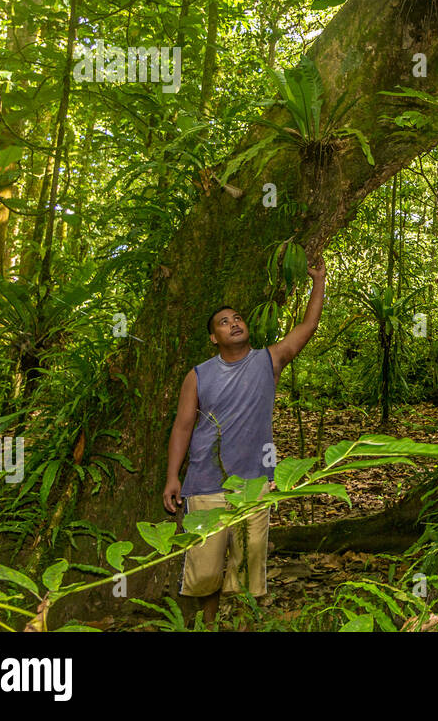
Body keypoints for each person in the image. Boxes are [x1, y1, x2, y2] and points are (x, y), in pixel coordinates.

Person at [162, 253, 326, 627]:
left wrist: (318, 282)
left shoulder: (269, 360)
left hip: (254, 484)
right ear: (213, 336)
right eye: (224, 322)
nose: (233, 323)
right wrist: (173, 477)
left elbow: (308, 327)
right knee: (203, 574)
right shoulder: (198, 375)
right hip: (205, 483)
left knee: (248, 574)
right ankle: (202, 625)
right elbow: (183, 428)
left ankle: (242, 625)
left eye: (237, 318)